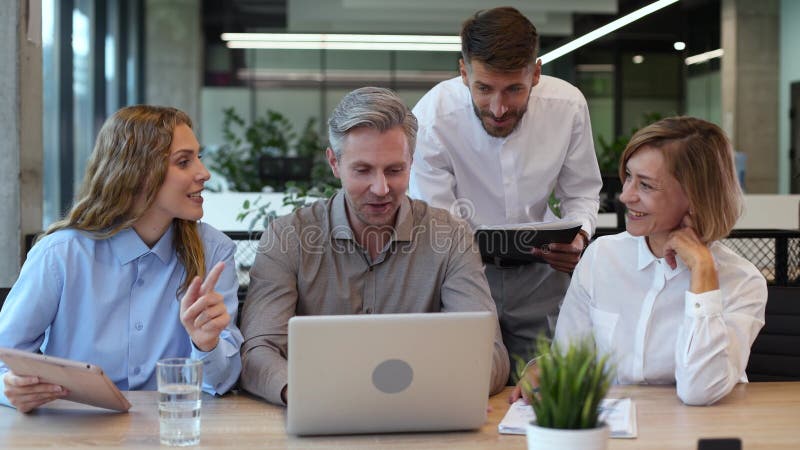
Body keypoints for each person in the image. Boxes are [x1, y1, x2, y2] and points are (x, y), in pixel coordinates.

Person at [239, 87, 509, 405]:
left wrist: (414, 391)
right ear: (334, 163)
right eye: (362, 170)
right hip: (318, 412)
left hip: (421, 415)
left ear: (411, 161)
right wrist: (303, 394)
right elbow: (258, 350)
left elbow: (489, 354)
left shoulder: (449, 236)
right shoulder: (288, 237)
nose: (381, 188)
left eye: (395, 170)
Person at [0, 105, 244, 412]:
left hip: (172, 431)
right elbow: (4, 360)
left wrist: (205, 345)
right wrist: (10, 388)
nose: (204, 173)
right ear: (138, 172)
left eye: (199, 157)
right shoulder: (59, 255)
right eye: (184, 162)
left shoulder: (214, 252)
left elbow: (221, 383)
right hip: (73, 433)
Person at [511, 116, 767, 406]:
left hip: (699, 433)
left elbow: (701, 390)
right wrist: (542, 368)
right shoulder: (601, 257)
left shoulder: (742, 281)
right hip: (612, 432)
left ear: (696, 196)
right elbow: (568, 360)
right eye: (629, 177)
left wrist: (703, 271)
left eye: (646, 185)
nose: (625, 196)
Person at [409, 6, 602, 367]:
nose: (498, 108)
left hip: (544, 274)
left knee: (551, 389)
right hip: (463, 275)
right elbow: (437, 219)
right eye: (485, 88)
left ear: (537, 73)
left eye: (514, 89)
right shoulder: (432, 118)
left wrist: (580, 237)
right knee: (466, 383)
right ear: (464, 72)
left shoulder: (568, 106)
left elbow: (581, 193)